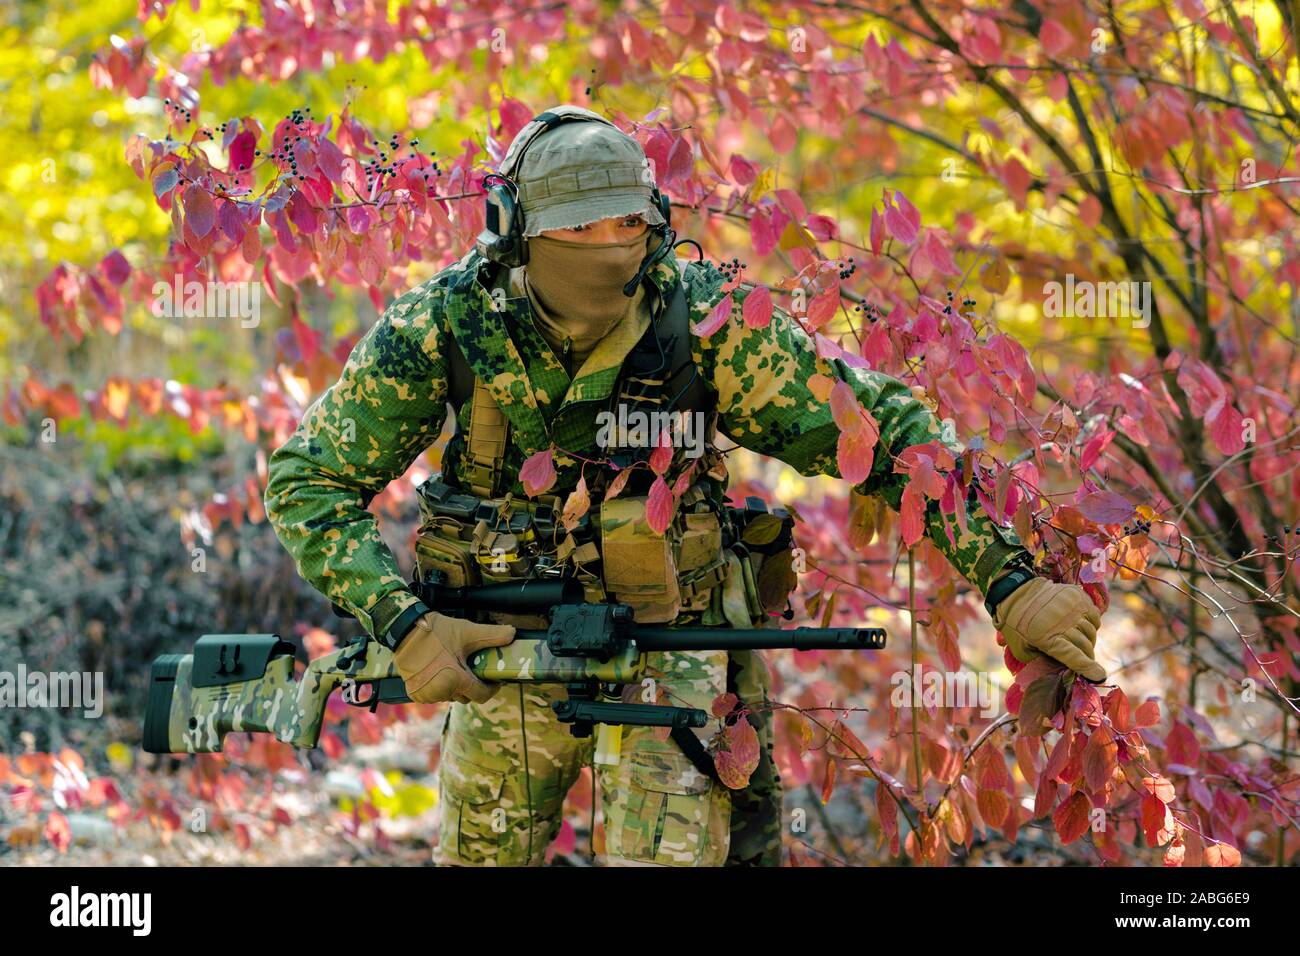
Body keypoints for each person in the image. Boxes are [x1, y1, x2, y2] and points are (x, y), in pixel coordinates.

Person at [265, 105, 1105, 866]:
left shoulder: (706, 322)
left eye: (627, 223)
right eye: (577, 227)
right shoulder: (446, 324)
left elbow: (884, 435)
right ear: (517, 231)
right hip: (500, 657)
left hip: (672, 650)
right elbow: (310, 480)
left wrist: (1011, 579)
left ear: (656, 224)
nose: (606, 244)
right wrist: (407, 626)